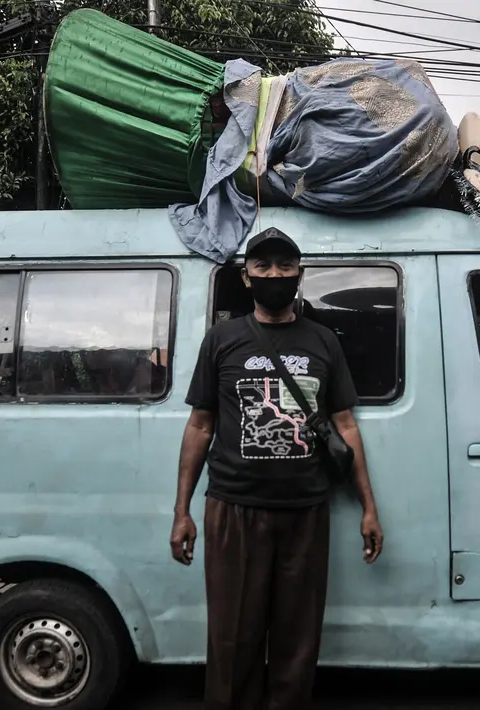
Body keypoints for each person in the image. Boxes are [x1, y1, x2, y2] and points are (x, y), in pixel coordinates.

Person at [170, 226, 384, 710]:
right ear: (246, 278)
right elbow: (200, 425)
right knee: (232, 640)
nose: (274, 275)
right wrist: (181, 510)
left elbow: (345, 425)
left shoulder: (324, 341)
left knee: (297, 640)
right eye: (262, 267)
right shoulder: (222, 340)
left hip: (307, 509)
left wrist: (369, 507)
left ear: (299, 275)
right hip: (233, 509)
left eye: (284, 267)